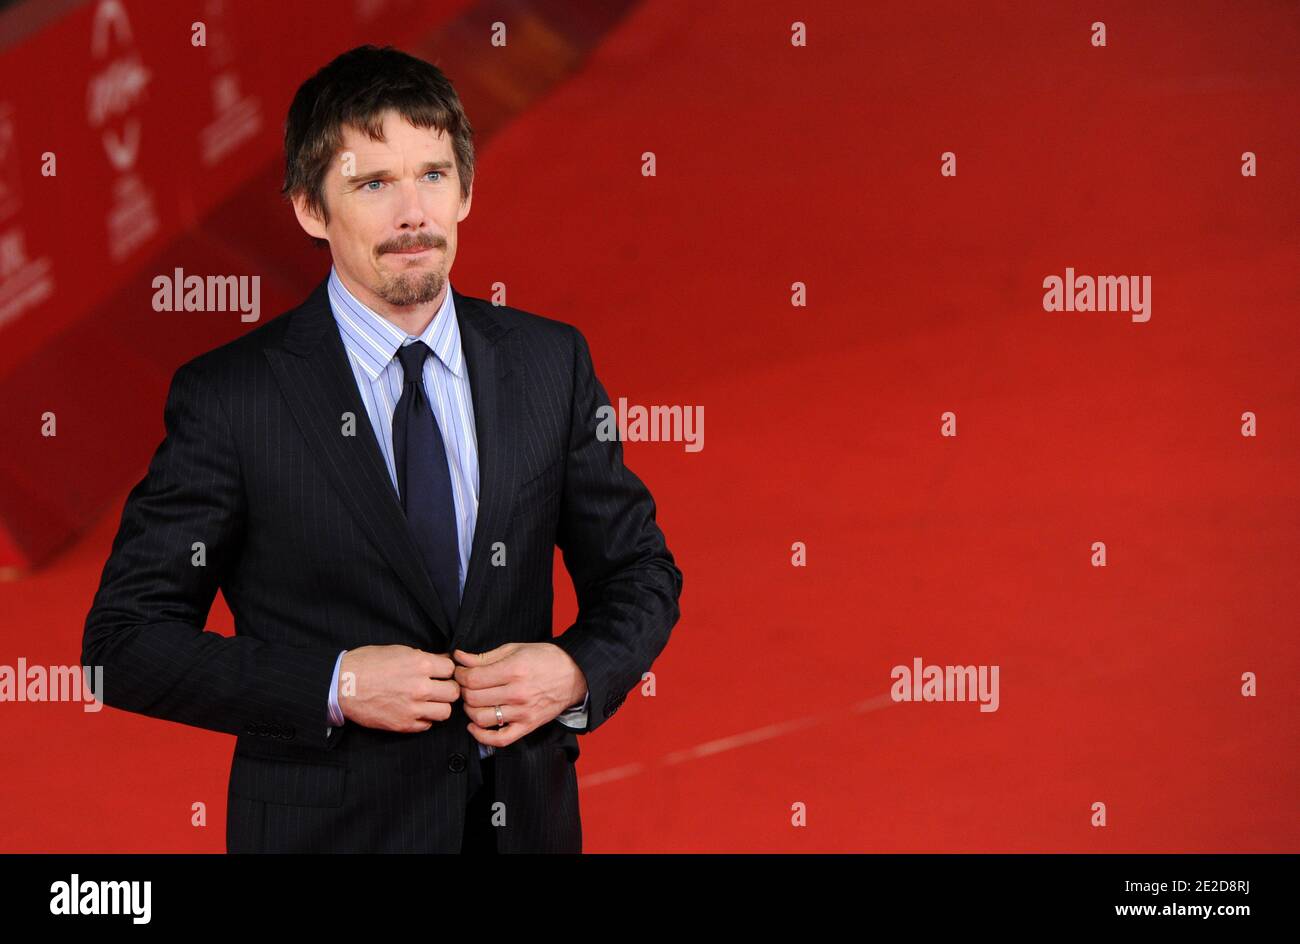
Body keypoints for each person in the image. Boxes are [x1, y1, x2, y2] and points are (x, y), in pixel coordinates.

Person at [81, 45, 683, 854]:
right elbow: (122, 644)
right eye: (373, 184)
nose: (413, 215)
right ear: (308, 208)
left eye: (433, 175)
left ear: (465, 191)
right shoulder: (233, 399)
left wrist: (575, 671)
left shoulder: (550, 364)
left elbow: (640, 570)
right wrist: (334, 685)